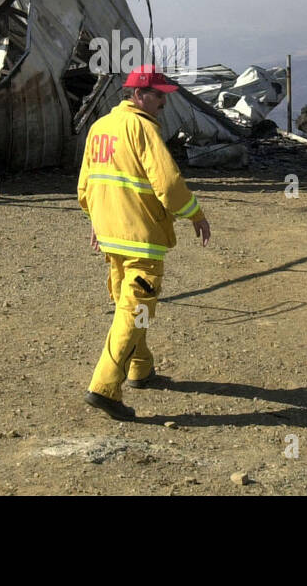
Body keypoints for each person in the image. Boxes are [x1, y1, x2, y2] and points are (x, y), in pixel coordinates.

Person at [78, 64, 212, 421]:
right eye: (158, 97)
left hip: (112, 238)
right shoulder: (142, 128)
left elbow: (86, 183)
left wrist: (95, 219)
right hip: (141, 239)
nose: (162, 105)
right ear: (138, 95)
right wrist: (196, 214)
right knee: (133, 310)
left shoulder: (100, 127)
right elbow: (168, 185)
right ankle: (104, 388)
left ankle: (139, 368)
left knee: (129, 302)